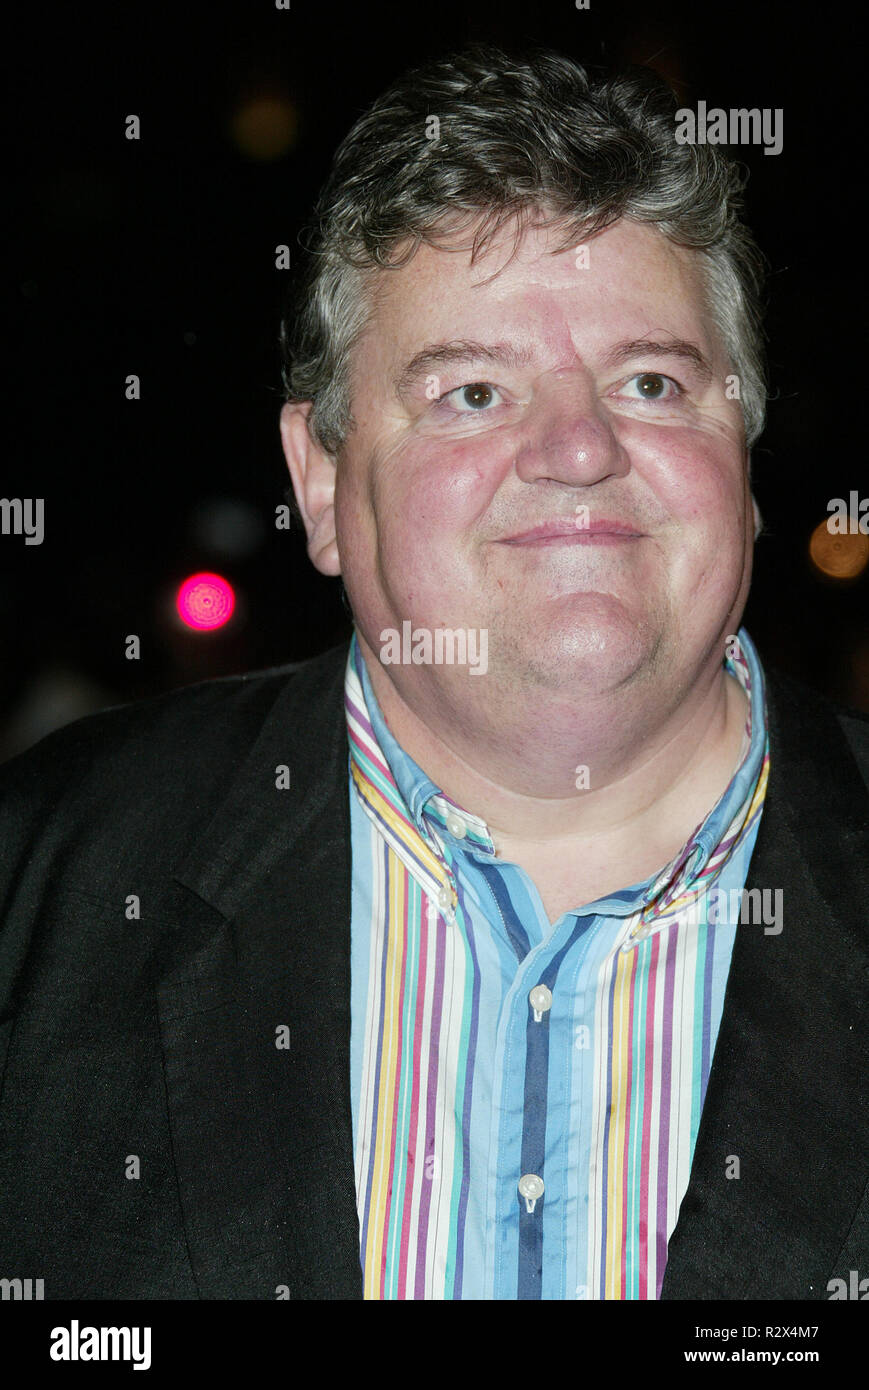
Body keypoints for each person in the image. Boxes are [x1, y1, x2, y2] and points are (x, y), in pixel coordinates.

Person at [1, 45, 866, 1302]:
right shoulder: (42, 890)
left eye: (649, 381)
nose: (577, 448)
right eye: (470, 391)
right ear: (318, 482)